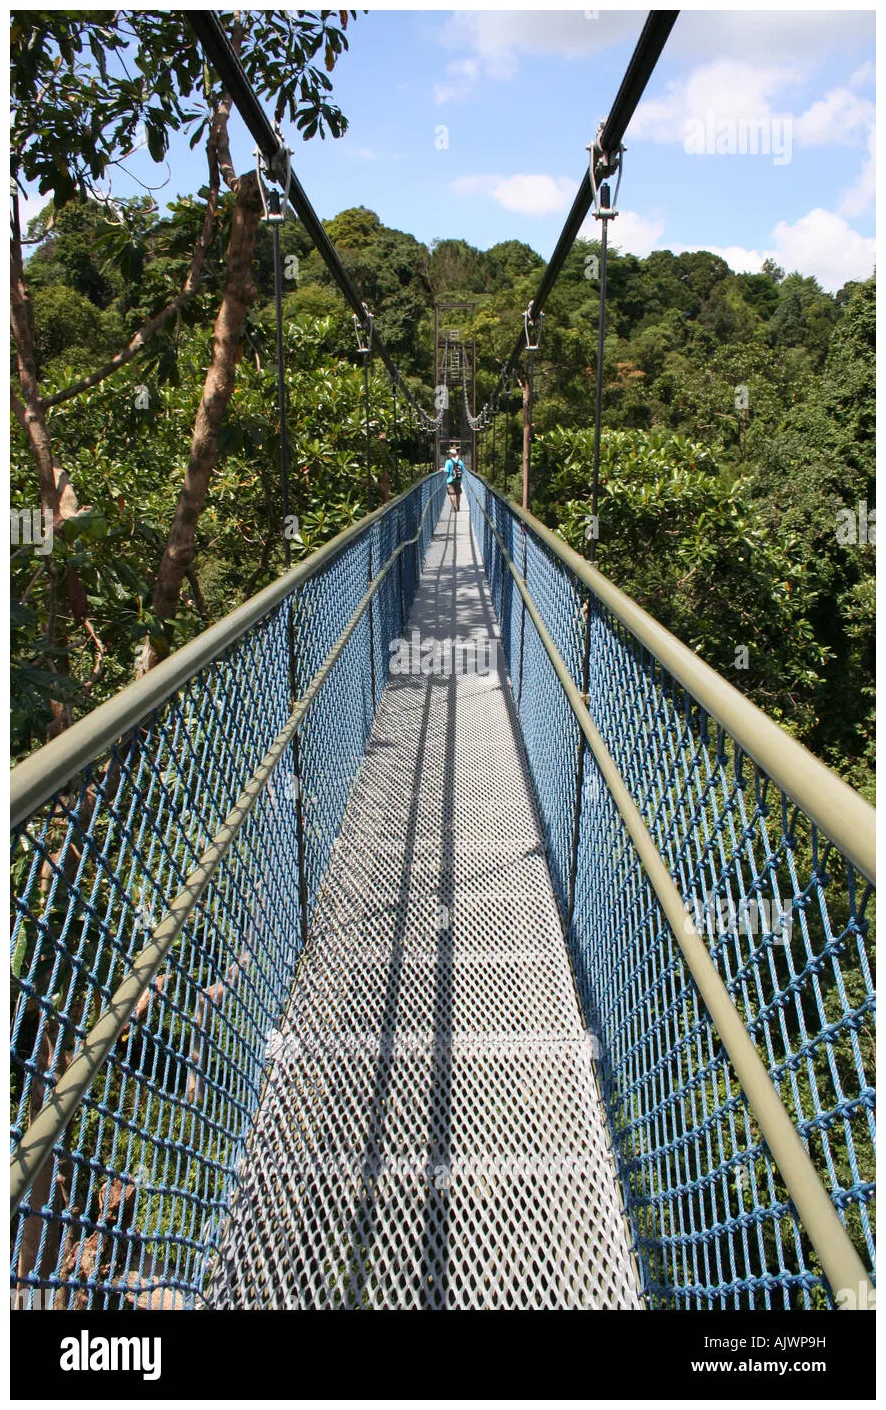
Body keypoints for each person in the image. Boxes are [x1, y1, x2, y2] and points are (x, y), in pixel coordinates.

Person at [444, 443, 465, 512]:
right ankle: (458, 505)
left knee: (452, 494)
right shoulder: (460, 462)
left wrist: (442, 469)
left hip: (450, 480)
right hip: (458, 480)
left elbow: (446, 471)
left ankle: (453, 507)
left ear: (450, 454)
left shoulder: (448, 462)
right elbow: (463, 471)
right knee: (458, 494)